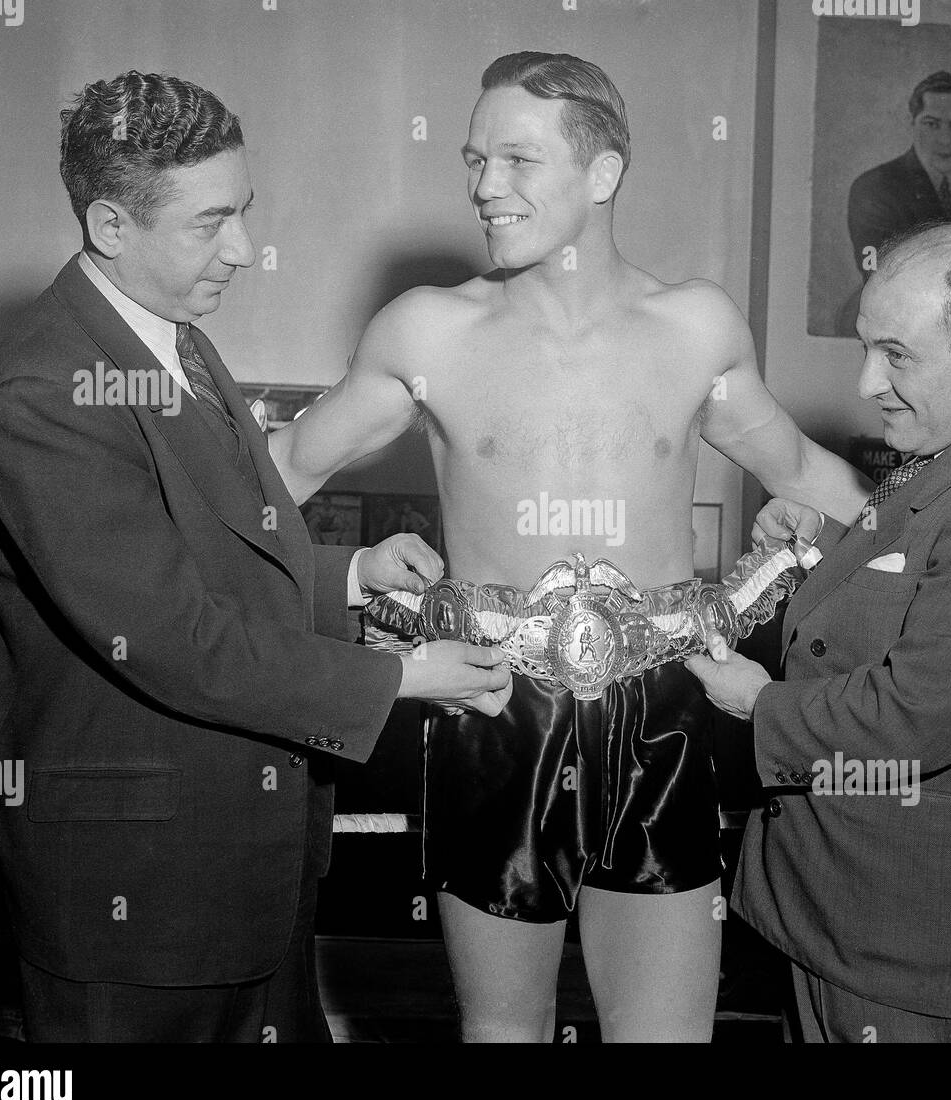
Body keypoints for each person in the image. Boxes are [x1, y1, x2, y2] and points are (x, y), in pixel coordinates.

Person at [269, 51, 872, 1041]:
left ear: (603, 173)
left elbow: (805, 469)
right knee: (502, 1033)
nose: (482, 185)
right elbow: (277, 474)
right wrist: (118, 506)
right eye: (473, 158)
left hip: (663, 714)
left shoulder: (695, 324)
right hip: (491, 706)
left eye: (516, 158)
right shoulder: (428, 332)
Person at [0, 71, 511, 1043]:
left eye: (244, 213)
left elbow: (209, 549)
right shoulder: (42, 392)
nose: (246, 251)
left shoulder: (175, 341)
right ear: (112, 225)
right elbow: (167, 634)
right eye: (211, 224)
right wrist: (402, 673)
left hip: (236, 869)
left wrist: (347, 574)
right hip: (134, 898)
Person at [686, 222, 951, 1042]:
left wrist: (756, 703)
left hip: (921, 952)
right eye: (864, 348)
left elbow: (911, 713)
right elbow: (905, 599)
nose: (867, 381)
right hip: (844, 916)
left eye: (896, 354)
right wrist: (815, 555)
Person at [848, 72, 951, 277]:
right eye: (931, 124)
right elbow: (880, 279)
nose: (945, 140)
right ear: (912, 121)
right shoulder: (875, 189)